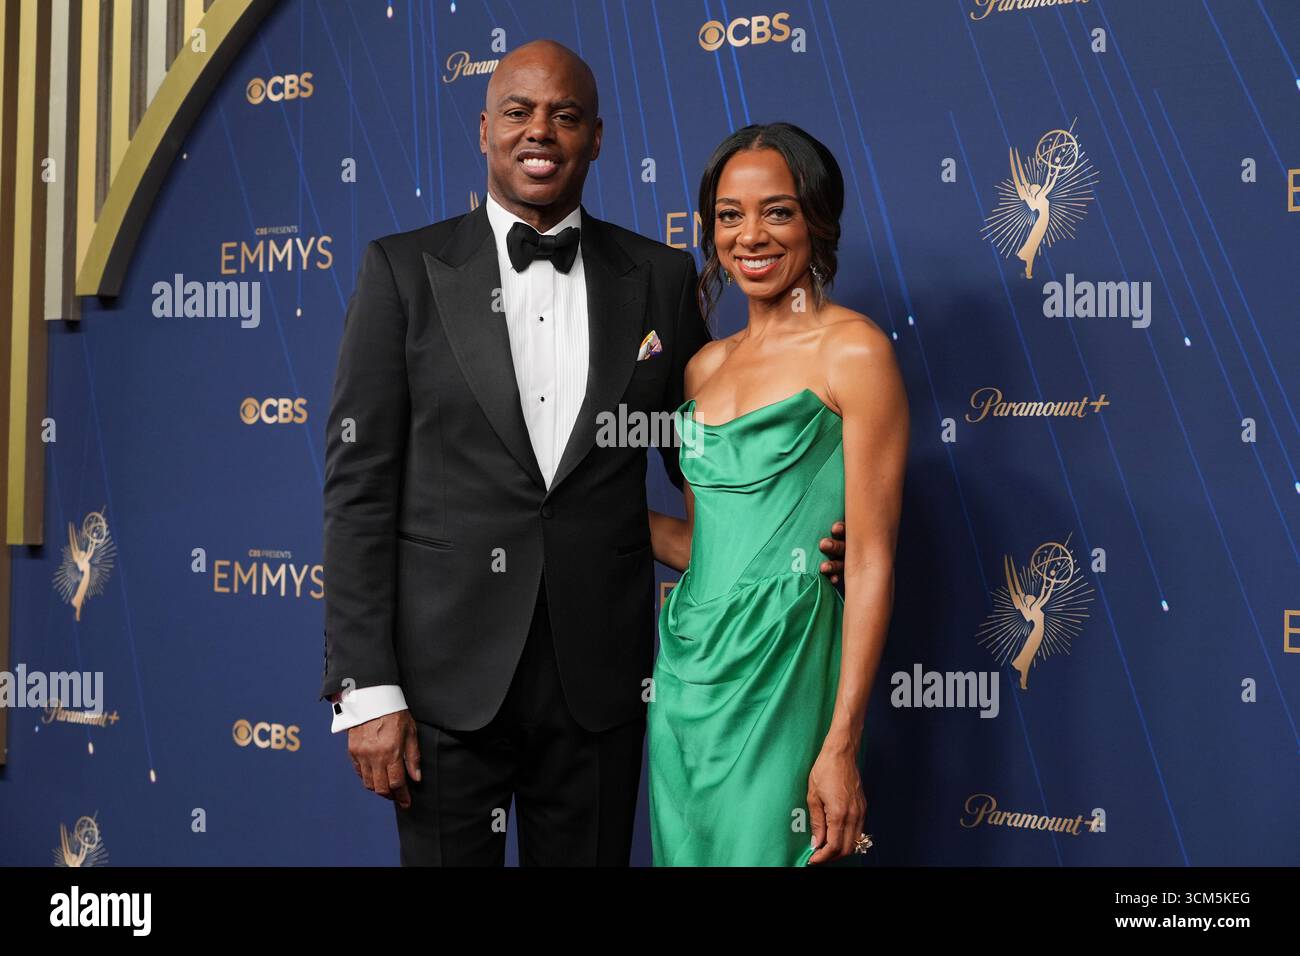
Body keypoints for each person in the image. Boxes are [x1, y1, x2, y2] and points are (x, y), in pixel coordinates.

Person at [318, 41, 848, 866]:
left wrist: (806, 536)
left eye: (566, 116)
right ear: (484, 127)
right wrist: (366, 690)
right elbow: (358, 493)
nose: (542, 133)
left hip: (602, 684)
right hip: (442, 689)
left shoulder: (661, 277)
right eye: (520, 112)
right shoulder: (403, 273)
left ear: (597, 138)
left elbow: (715, 463)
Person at [646, 123, 909, 866]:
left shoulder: (854, 352)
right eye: (729, 215)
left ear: (817, 221)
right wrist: (585, 520)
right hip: (688, 680)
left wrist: (843, 739)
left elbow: (870, 562)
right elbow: (705, 548)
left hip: (788, 674)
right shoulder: (700, 370)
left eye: (778, 211)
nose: (750, 235)